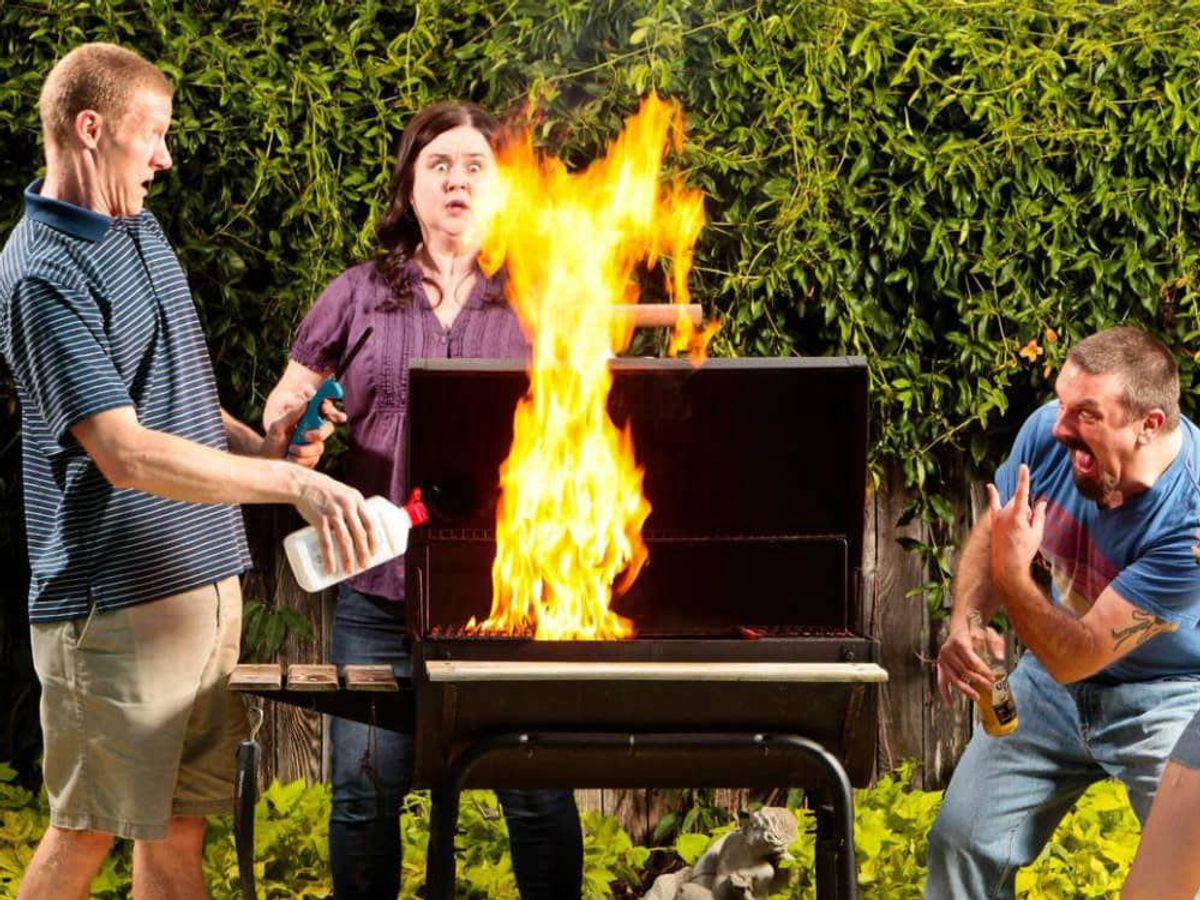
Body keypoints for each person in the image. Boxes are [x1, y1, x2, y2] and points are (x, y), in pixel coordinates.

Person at [0, 43, 376, 900]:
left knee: (177, 838)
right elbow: (125, 451)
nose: (167, 156)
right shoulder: (40, 274)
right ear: (90, 129)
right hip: (115, 614)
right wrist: (295, 487)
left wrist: (266, 451)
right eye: (154, 134)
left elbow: (170, 400)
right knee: (85, 829)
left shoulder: (137, 222)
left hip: (205, 587)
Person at [263, 101, 584, 899]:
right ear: (410, 187)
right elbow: (280, 416)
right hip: (377, 588)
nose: (458, 180)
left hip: (505, 589)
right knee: (363, 795)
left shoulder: (541, 297)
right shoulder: (357, 296)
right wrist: (299, 432)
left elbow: (589, 434)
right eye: (439, 164)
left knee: (537, 791)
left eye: (477, 166)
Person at [926, 326, 1200, 899]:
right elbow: (998, 528)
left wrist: (1010, 573)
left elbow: (1075, 654)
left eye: (1086, 414)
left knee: (1183, 878)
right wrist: (967, 619)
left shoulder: (1189, 520)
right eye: (1061, 403)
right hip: (1051, 688)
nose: (1058, 426)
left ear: (1148, 424)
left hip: (1170, 697)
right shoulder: (1052, 438)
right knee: (961, 841)